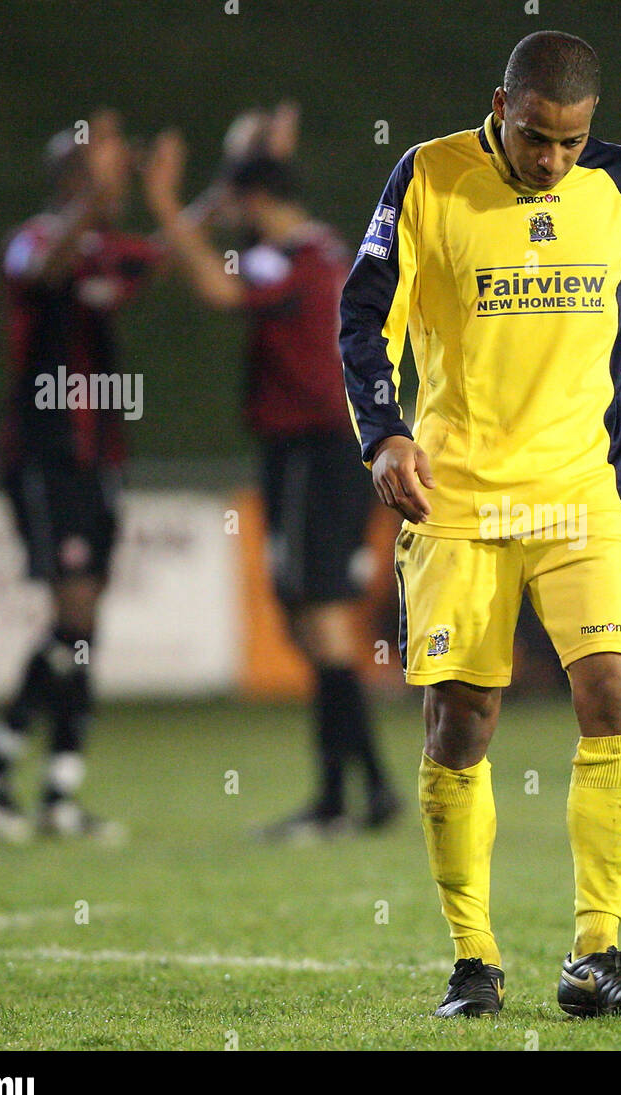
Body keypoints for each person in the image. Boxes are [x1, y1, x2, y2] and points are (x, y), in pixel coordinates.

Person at [340, 30, 621, 1018]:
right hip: (457, 493)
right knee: (462, 719)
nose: (553, 161)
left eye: (573, 143)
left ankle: (597, 952)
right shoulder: (427, 177)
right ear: (500, 106)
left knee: (613, 692)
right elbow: (363, 317)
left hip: (587, 490)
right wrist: (383, 436)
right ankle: (473, 960)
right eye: (537, 138)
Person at [142, 110, 400, 837]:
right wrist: (254, 160)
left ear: (253, 203)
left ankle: (333, 802)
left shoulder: (288, 260)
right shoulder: (319, 248)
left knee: (317, 620)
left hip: (310, 454)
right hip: (335, 451)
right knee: (312, 620)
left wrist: (166, 202)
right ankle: (370, 792)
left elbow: (218, 288)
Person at [0, 111, 159, 843]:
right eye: (98, 175)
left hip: (99, 457)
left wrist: (183, 201)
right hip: (45, 455)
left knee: (83, 630)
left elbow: (160, 259)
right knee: (73, 618)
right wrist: (98, 186)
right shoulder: (34, 240)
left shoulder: (102, 251)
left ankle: (57, 793)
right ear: (74, 183)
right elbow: (45, 267)